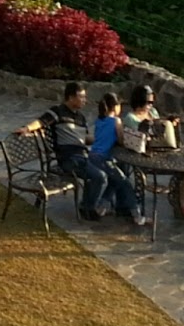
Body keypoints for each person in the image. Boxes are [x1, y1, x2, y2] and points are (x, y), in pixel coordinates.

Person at [23, 82, 145, 226]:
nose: (84, 101)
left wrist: (105, 138)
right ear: (70, 97)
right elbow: (41, 122)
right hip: (69, 158)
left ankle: (116, 207)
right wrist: (26, 128)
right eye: (81, 97)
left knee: (118, 170)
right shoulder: (58, 111)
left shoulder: (80, 118)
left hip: (84, 155)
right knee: (100, 176)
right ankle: (87, 208)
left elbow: (85, 139)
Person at [124, 84, 184, 221]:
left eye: (152, 102)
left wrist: (168, 123)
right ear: (140, 101)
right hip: (148, 154)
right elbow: (138, 139)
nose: (151, 105)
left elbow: (161, 129)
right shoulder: (131, 118)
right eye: (148, 102)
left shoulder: (153, 113)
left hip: (165, 148)